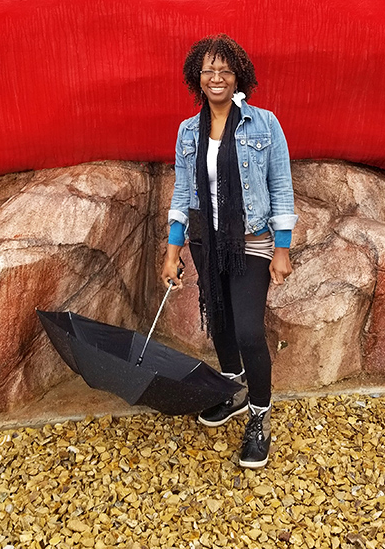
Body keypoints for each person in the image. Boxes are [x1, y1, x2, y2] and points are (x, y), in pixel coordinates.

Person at [161, 34, 297, 468]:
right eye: (208, 71)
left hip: (252, 240)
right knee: (218, 320)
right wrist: (172, 250)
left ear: (238, 75)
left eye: (224, 70)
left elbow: (281, 188)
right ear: (196, 79)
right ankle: (234, 390)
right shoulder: (187, 131)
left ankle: (259, 415)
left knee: (248, 331)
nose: (216, 77)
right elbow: (183, 193)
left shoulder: (264, 124)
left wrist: (282, 249)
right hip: (206, 240)